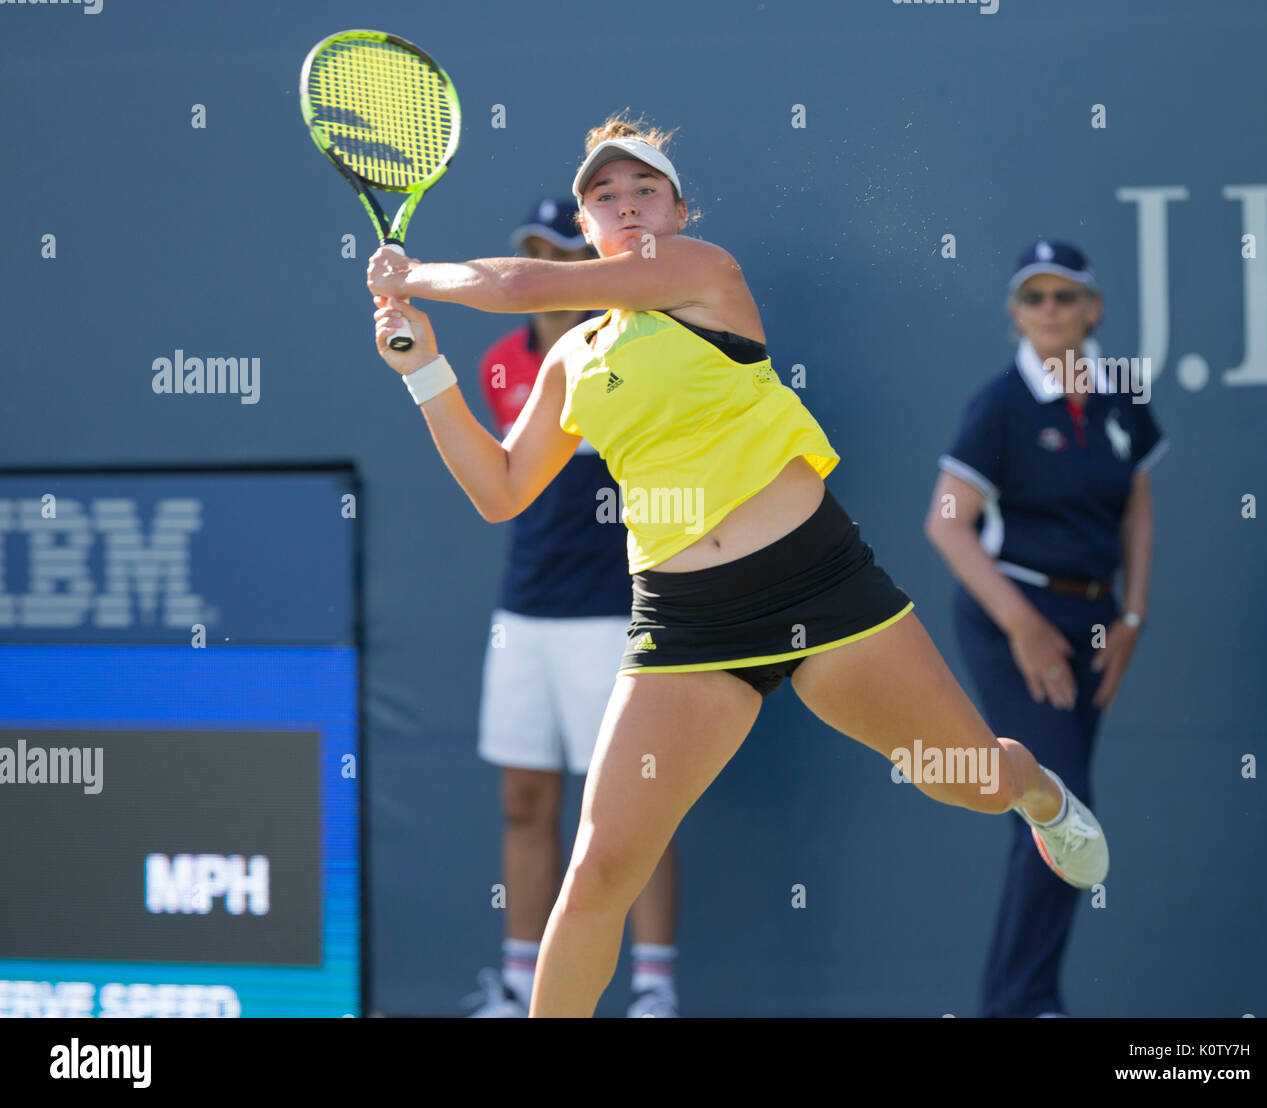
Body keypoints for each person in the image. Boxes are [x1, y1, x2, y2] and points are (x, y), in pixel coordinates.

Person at [367, 113, 1110, 1018]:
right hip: (686, 630)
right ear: (586, 220)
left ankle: (1037, 793)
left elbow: (521, 279)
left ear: (679, 211)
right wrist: (428, 374)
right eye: (606, 196)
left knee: (969, 783)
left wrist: (418, 276)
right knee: (599, 868)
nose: (628, 205)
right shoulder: (571, 358)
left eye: (647, 190)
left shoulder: (700, 275)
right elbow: (501, 489)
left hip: (824, 592)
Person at [924, 241, 1167, 1018]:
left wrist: (1131, 613)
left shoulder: (1120, 390)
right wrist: (1024, 625)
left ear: (1093, 309)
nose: (1051, 311)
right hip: (1014, 620)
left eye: (1066, 296)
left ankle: (1020, 999)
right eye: (1035, 298)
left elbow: (1134, 501)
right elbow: (947, 524)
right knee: (1061, 800)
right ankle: (1022, 1003)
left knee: (1058, 809)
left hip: (1094, 620)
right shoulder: (999, 405)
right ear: (1016, 314)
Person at [464, 197, 681, 1019]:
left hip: (618, 610)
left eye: (560, 252)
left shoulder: (635, 351)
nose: (545, 270)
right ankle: (521, 986)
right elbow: (514, 480)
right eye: (532, 252)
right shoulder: (498, 361)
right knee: (525, 801)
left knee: (632, 808)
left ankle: (653, 988)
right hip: (524, 613)